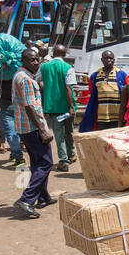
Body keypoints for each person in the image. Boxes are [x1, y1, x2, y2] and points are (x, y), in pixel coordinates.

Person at [12, 47, 54, 218]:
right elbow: (30, 106)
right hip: (32, 128)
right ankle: (27, 199)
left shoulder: (21, 76)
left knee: (38, 163)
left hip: (25, 127)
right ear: (23, 61)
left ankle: (43, 196)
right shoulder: (26, 79)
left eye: (37, 59)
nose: (36, 62)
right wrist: (43, 130)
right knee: (45, 163)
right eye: (31, 60)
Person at [39, 43, 78, 171]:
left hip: (53, 107)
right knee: (69, 131)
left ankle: (63, 160)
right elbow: (69, 88)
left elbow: (37, 81)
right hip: (67, 106)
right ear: (65, 54)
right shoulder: (68, 67)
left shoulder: (44, 67)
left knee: (58, 134)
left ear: (52, 53)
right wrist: (71, 107)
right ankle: (71, 154)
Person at [78, 49, 126, 132]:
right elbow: (92, 93)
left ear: (114, 60)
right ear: (101, 60)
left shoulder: (122, 74)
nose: (108, 60)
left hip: (118, 115)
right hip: (101, 116)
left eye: (111, 58)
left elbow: (128, 92)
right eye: (106, 58)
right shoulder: (95, 75)